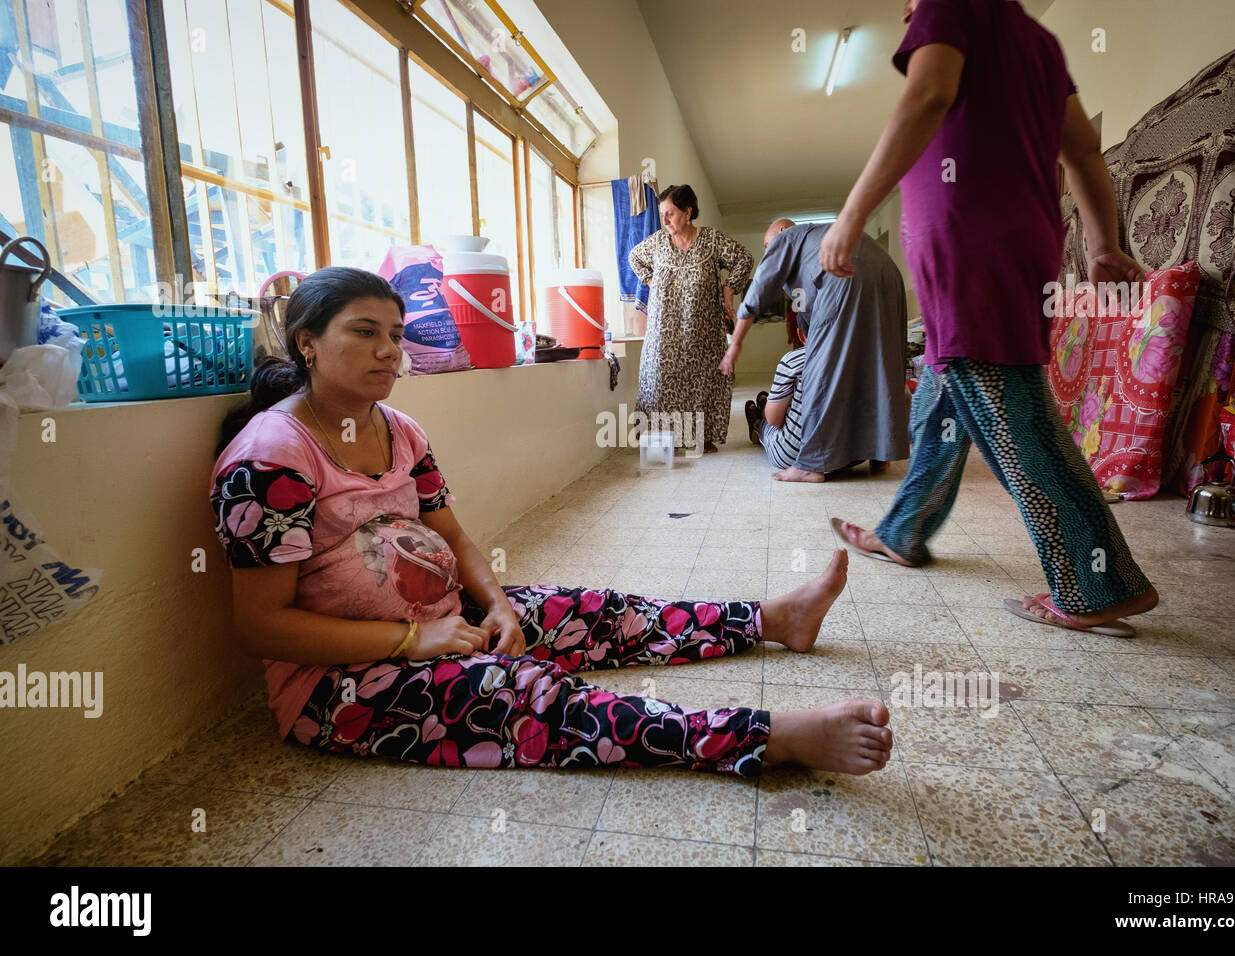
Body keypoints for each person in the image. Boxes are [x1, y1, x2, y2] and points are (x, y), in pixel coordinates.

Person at [210, 266, 894, 777]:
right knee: (531, 697)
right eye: (364, 332)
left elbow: (450, 535)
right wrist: (414, 639)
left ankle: (773, 620)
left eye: (394, 334)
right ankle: (767, 738)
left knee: (597, 609)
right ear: (306, 342)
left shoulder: (401, 429)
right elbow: (260, 626)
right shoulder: (270, 460)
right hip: (342, 683)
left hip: (453, 620)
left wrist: (499, 607)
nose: (390, 350)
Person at [821, 0, 1158, 636]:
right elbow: (1084, 150)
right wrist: (1104, 244)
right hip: (1017, 242)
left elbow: (927, 95)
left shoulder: (950, 5)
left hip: (971, 247)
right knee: (948, 400)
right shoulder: (1038, 41)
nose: (904, 9)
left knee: (1014, 418)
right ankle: (904, 531)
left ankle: (1098, 582)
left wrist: (851, 213)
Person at [730, 218, 910, 482]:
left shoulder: (790, 240)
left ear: (781, 232)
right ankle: (880, 453)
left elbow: (815, 334)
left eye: (768, 247)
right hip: (888, 273)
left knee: (824, 365)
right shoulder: (820, 237)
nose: (770, 256)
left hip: (844, 274)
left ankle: (810, 464)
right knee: (881, 358)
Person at [628, 184, 755, 453]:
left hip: (703, 331)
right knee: (661, 381)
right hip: (663, 333)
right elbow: (634, 257)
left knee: (704, 381)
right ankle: (662, 439)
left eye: (670, 213)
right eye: (662, 213)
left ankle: (702, 437)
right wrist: (650, 280)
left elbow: (744, 259)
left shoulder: (711, 241)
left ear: (687, 212)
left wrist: (729, 289)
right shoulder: (658, 243)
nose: (665, 220)